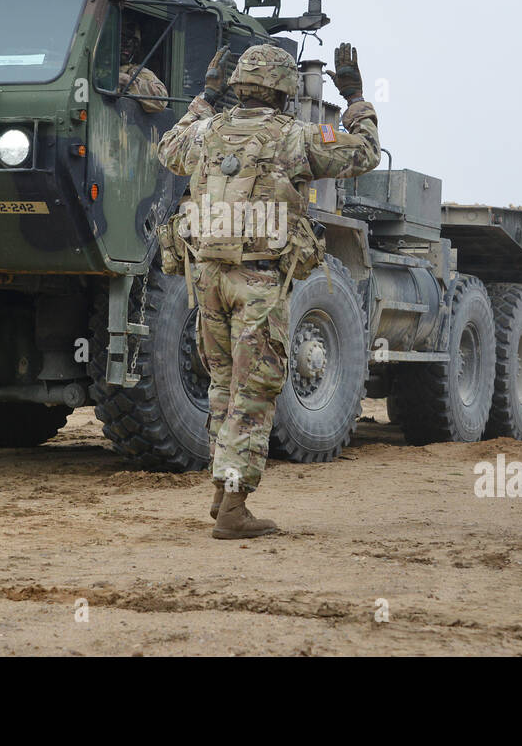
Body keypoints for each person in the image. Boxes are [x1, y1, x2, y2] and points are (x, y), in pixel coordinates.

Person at [157, 42, 380, 538]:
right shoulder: (296, 138)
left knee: (222, 385)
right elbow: (363, 152)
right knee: (253, 390)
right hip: (256, 280)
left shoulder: (206, 133)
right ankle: (234, 509)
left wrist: (204, 97)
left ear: (238, 84)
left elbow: (168, 145)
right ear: (284, 91)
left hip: (206, 278)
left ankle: (221, 493)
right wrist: (355, 96)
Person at [118, 18, 169, 113]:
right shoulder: (94, 66)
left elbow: (161, 99)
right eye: (123, 38)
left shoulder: (137, 72)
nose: (128, 44)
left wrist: (129, 83)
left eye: (134, 41)